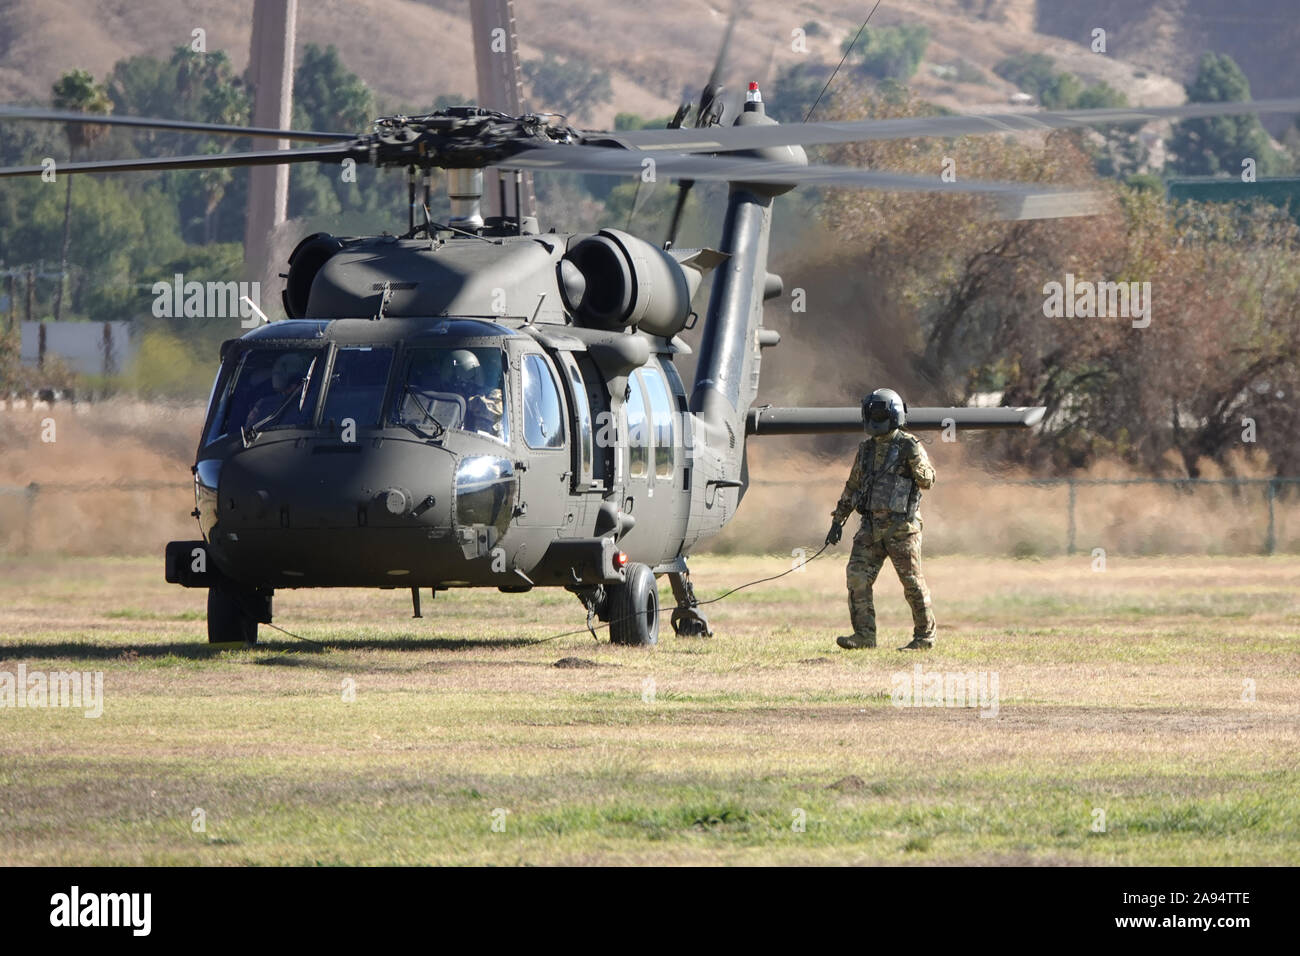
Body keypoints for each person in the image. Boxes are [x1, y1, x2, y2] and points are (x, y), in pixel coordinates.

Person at [825, 388, 937, 650]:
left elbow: (928, 481)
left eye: (879, 413)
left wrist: (915, 463)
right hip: (870, 528)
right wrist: (837, 521)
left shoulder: (910, 445)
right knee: (857, 576)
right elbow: (853, 487)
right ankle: (864, 636)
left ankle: (924, 637)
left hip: (902, 529)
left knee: (911, 583)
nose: (874, 418)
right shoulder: (865, 450)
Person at [442, 349, 504, 437]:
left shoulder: (492, 394)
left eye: (460, 385)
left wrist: (471, 402)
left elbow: (498, 410)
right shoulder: (441, 397)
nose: (457, 390)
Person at [244, 351, 311, 430]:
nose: (296, 386)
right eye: (294, 383)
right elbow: (248, 431)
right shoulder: (263, 405)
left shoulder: (311, 403)